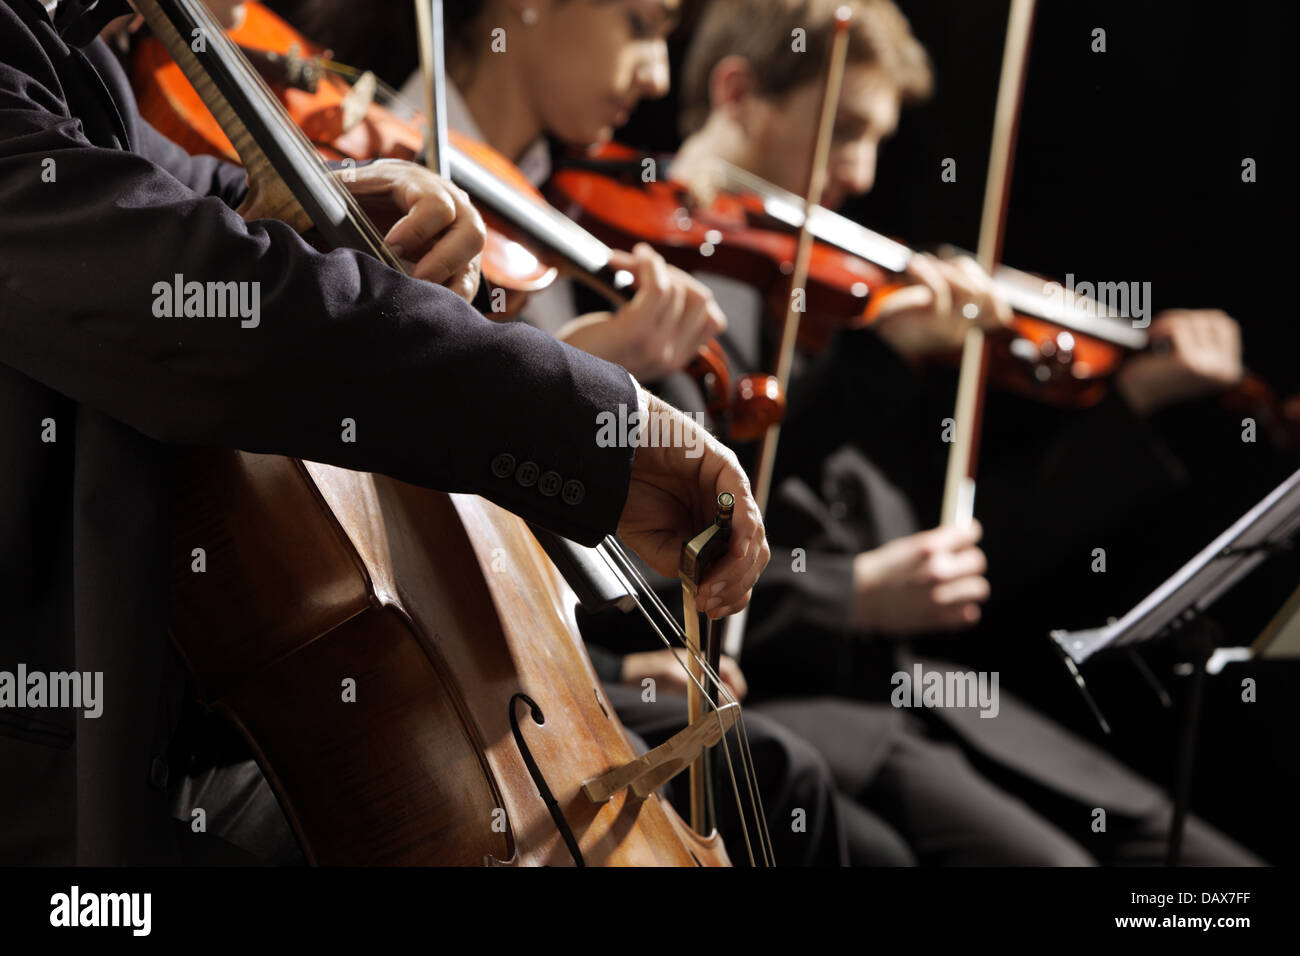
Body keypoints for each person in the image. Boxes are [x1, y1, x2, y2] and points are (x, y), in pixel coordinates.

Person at [0, 0, 769, 865]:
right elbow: (196, 295)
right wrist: (592, 428)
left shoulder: (68, 45)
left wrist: (354, 196)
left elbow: (194, 197)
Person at [649, 0, 1259, 865]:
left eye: (875, 141)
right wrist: (846, 593)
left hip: (940, 708)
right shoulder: (664, 290)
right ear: (739, 91)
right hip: (798, 719)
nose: (858, 174)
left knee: (1209, 870)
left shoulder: (835, 311)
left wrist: (1136, 404)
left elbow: (976, 560)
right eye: (847, 130)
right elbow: (666, 538)